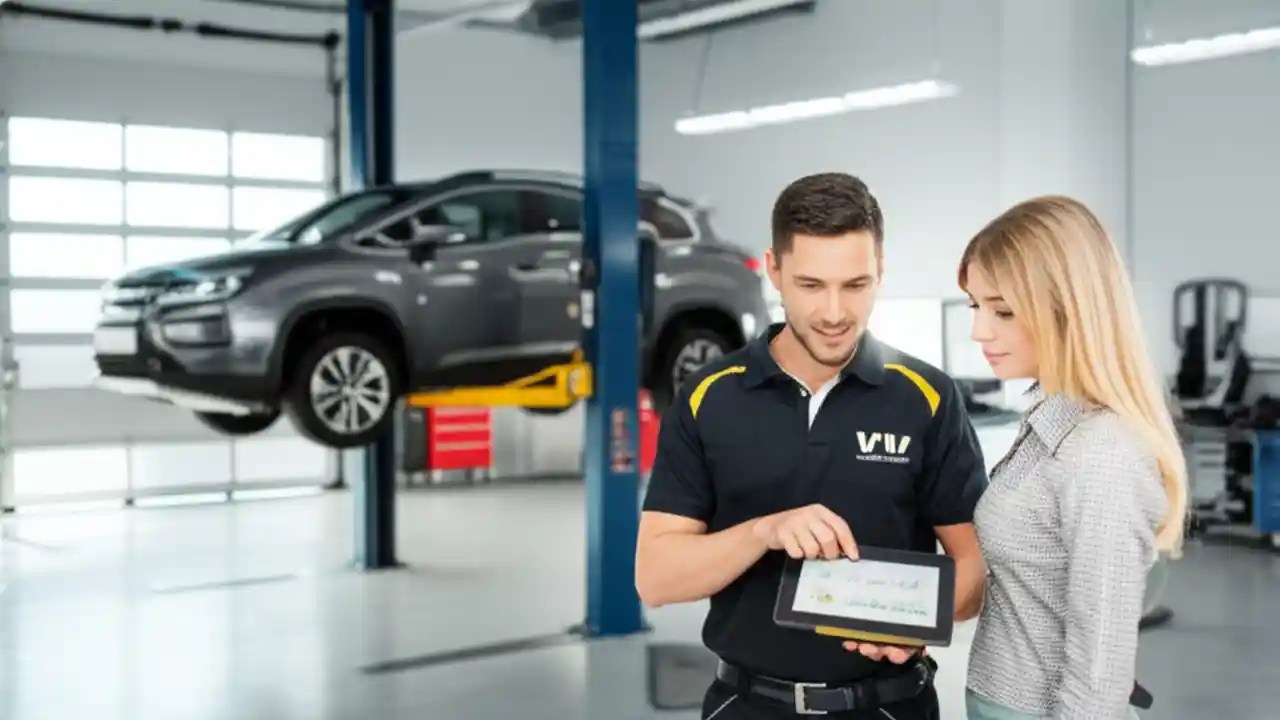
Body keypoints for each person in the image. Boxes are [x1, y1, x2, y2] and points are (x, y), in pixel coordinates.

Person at [635, 172, 989, 719]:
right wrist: (763, 532)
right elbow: (656, 577)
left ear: (880, 271)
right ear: (773, 270)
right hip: (745, 705)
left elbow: (975, 567)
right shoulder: (709, 397)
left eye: (855, 285)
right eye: (810, 285)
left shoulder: (927, 398)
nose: (833, 313)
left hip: (890, 707)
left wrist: (918, 625)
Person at [958, 195, 1188, 720]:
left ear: (1068, 307)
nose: (979, 331)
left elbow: (1099, 675)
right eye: (976, 306)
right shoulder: (1049, 424)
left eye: (1003, 310)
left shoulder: (1102, 452)